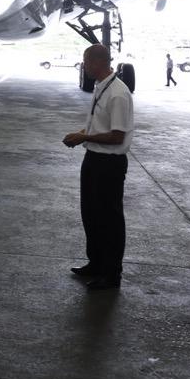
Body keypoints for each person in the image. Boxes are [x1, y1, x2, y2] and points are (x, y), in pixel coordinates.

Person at [62, 44, 134, 291]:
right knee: (91, 213)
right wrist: (81, 134)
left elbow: (117, 136)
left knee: (109, 219)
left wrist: (84, 137)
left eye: (86, 61)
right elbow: (100, 126)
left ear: (99, 62)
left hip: (109, 164)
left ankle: (112, 274)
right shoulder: (101, 86)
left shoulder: (118, 93)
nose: (84, 65)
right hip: (93, 159)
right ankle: (96, 263)